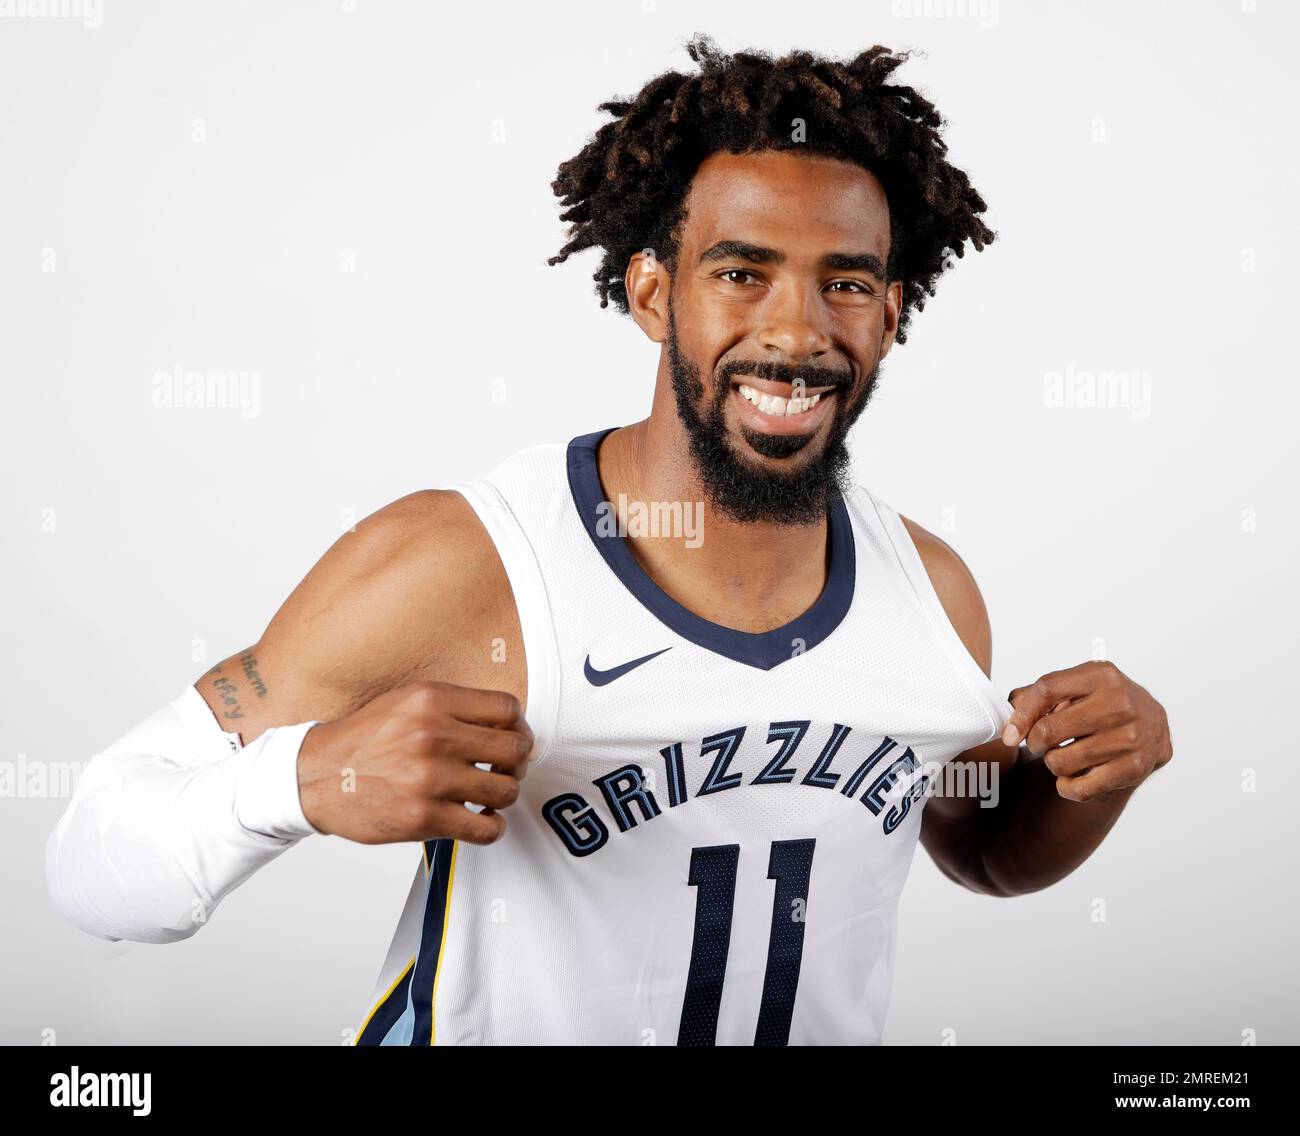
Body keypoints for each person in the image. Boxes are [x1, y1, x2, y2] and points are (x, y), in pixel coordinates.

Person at [46, 35, 1173, 1046]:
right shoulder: (468, 562)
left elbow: (976, 845)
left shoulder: (933, 589)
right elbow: (92, 859)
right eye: (741, 272)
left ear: (888, 313)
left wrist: (1091, 779)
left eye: (845, 280)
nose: (796, 328)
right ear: (650, 291)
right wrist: (303, 775)